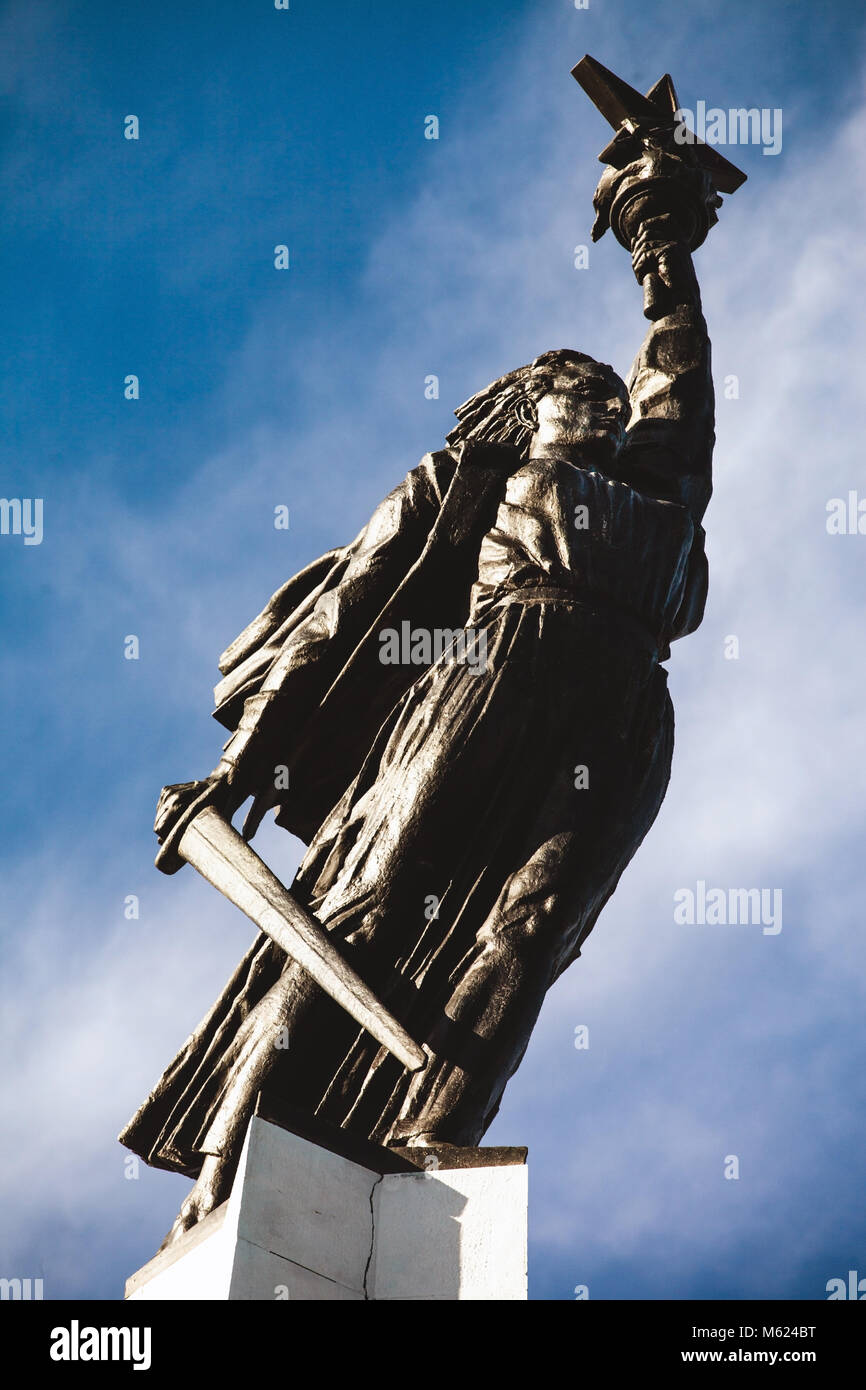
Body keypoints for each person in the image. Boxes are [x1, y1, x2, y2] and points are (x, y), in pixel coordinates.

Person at [119, 216, 714, 1242]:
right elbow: (339, 619)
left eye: (620, 399)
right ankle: (232, 1153)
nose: (612, 406)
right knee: (375, 905)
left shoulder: (660, 493)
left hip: (624, 708)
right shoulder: (463, 491)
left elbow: (680, 375)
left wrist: (662, 255)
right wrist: (238, 762)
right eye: (585, 392)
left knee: (531, 931)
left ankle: (431, 1133)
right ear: (529, 406)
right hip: (491, 669)